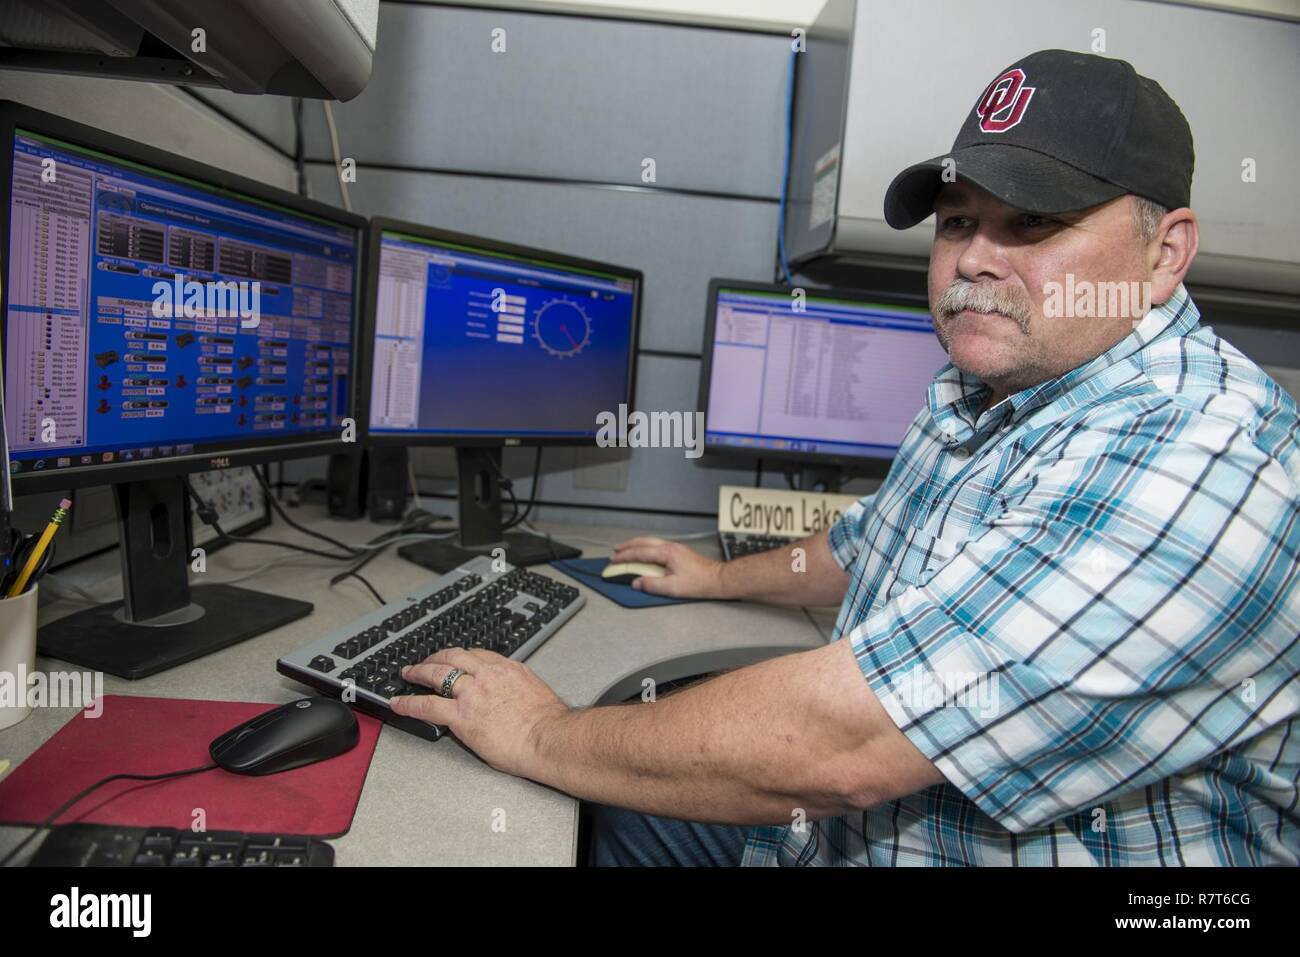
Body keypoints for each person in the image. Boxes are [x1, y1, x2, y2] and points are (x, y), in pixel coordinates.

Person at [391, 50, 1300, 866]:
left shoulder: (1203, 458)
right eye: (957, 222)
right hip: (838, 835)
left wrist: (542, 731)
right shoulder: (992, 390)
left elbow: (845, 745)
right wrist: (716, 579)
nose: (974, 261)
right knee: (620, 813)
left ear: (1164, 253)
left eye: (1033, 223)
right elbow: (864, 544)